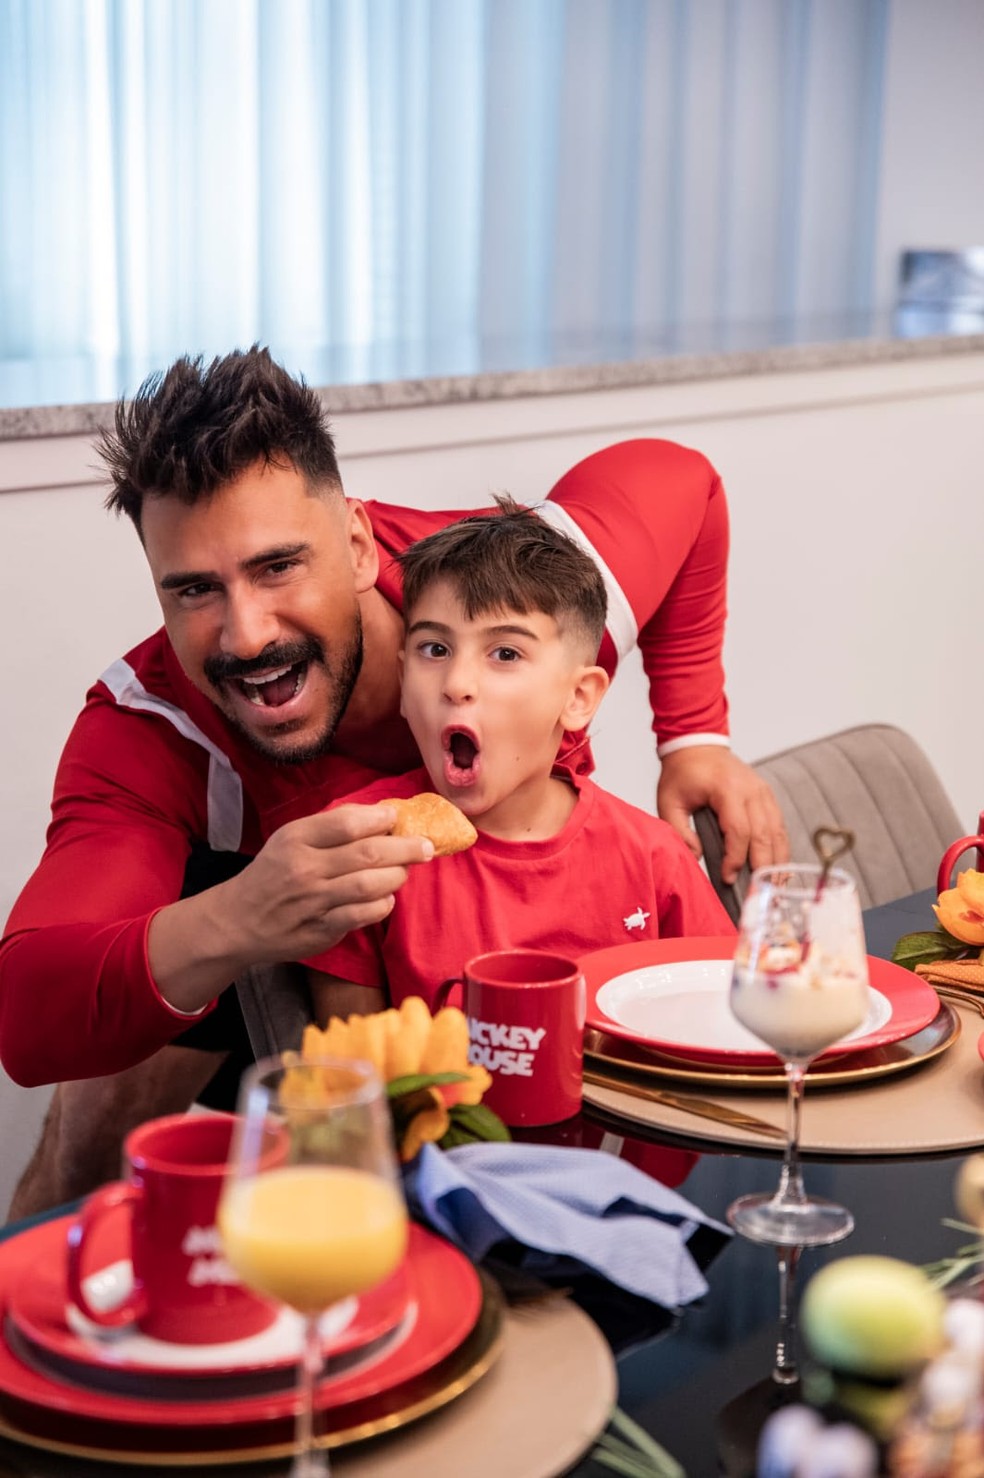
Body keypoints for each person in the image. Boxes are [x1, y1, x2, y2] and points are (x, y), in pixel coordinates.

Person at [0, 346, 786, 1217]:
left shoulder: (518, 595)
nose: (247, 633)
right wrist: (238, 916)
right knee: (91, 1147)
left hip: (543, 1045)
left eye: (277, 566)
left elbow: (681, 481)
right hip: (276, 941)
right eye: (193, 589)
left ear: (360, 543)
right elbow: (29, 1020)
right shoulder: (153, 730)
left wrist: (695, 735)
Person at [304, 498, 735, 1022]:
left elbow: (720, 1028)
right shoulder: (361, 850)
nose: (457, 684)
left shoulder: (654, 860)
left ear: (577, 698)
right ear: (402, 680)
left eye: (505, 653)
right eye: (434, 650)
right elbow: (356, 1075)